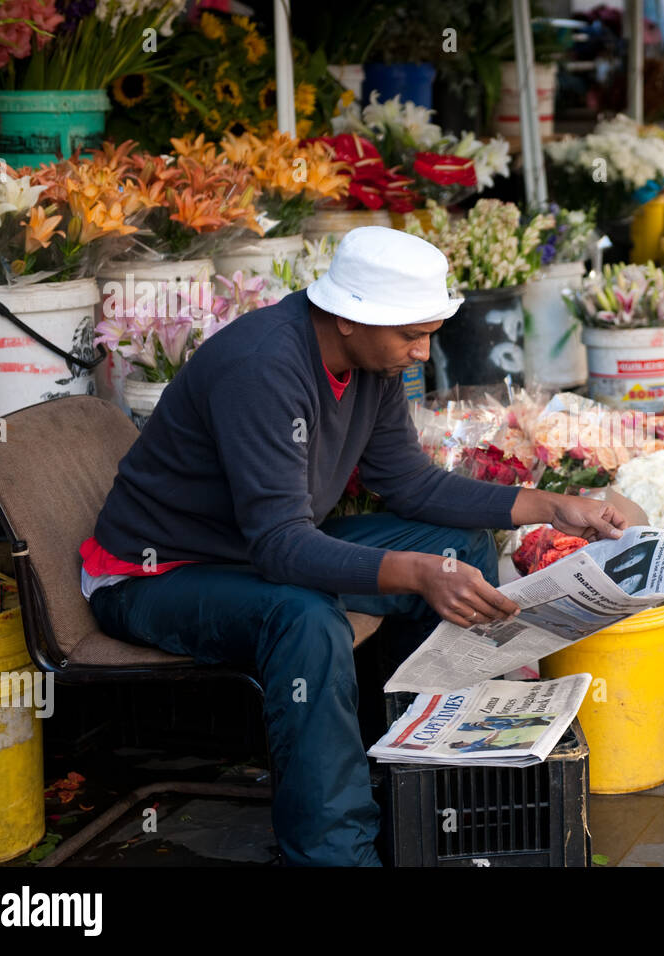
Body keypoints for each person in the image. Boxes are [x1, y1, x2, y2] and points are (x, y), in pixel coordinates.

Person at [80, 227, 631, 866]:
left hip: (253, 549)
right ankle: (333, 852)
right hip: (154, 575)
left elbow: (407, 483)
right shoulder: (263, 367)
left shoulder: (370, 362)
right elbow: (282, 550)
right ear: (347, 317)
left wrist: (550, 504)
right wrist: (415, 574)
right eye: (410, 336)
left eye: (428, 333)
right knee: (303, 618)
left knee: (456, 547)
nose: (422, 353)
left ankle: (431, 778)